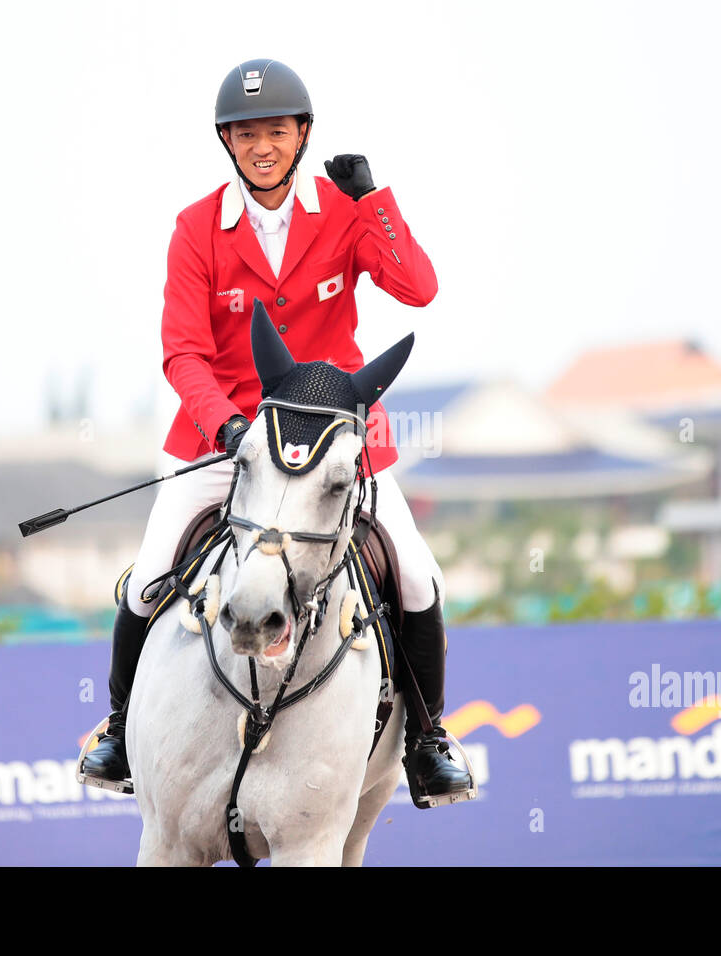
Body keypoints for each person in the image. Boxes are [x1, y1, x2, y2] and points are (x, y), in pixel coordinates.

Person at [79, 58, 473, 809]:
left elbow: (417, 287)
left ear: (302, 136)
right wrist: (224, 423)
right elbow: (183, 351)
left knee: (418, 578)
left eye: (277, 131)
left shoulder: (345, 212)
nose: (263, 146)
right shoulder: (196, 229)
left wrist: (375, 200)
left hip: (330, 439)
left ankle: (428, 741)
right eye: (247, 133)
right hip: (221, 431)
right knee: (151, 573)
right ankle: (120, 727)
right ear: (228, 141)